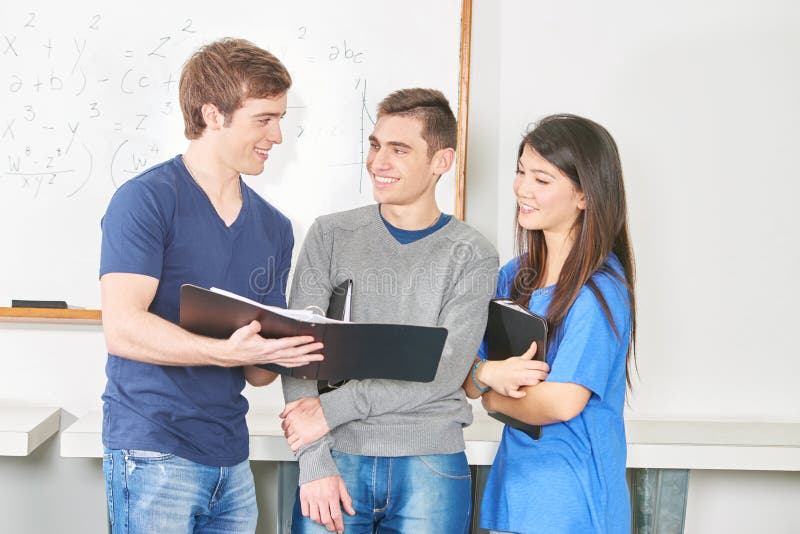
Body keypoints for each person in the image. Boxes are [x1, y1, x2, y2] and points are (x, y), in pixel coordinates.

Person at [99, 38, 324, 533]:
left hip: (231, 458)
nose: (278, 135)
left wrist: (302, 346)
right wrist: (223, 352)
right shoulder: (146, 201)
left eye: (281, 118)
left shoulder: (275, 227)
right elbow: (123, 328)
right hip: (152, 449)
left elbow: (258, 374)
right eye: (263, 119)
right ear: (213, 115)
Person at [279, 88, 499, 534]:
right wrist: (314, 461)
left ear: (441, 161)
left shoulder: (473, 254)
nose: (379, 162)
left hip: (431, 465)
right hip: (335, 460)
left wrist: (334, 408)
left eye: (399, 150)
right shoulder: (331, 235)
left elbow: (443, 369)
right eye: (376, 145)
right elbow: (295, 350)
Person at [463, 114, 636, 534]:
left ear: (584, 195)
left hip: (575, 500)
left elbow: (561, 403)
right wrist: (488, 374)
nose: (522, 188)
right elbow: (468, 381)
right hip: (517, 492)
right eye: (521, 172)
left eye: (542, 179)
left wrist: (496, 399)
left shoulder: (599, 290)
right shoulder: (513, 276)